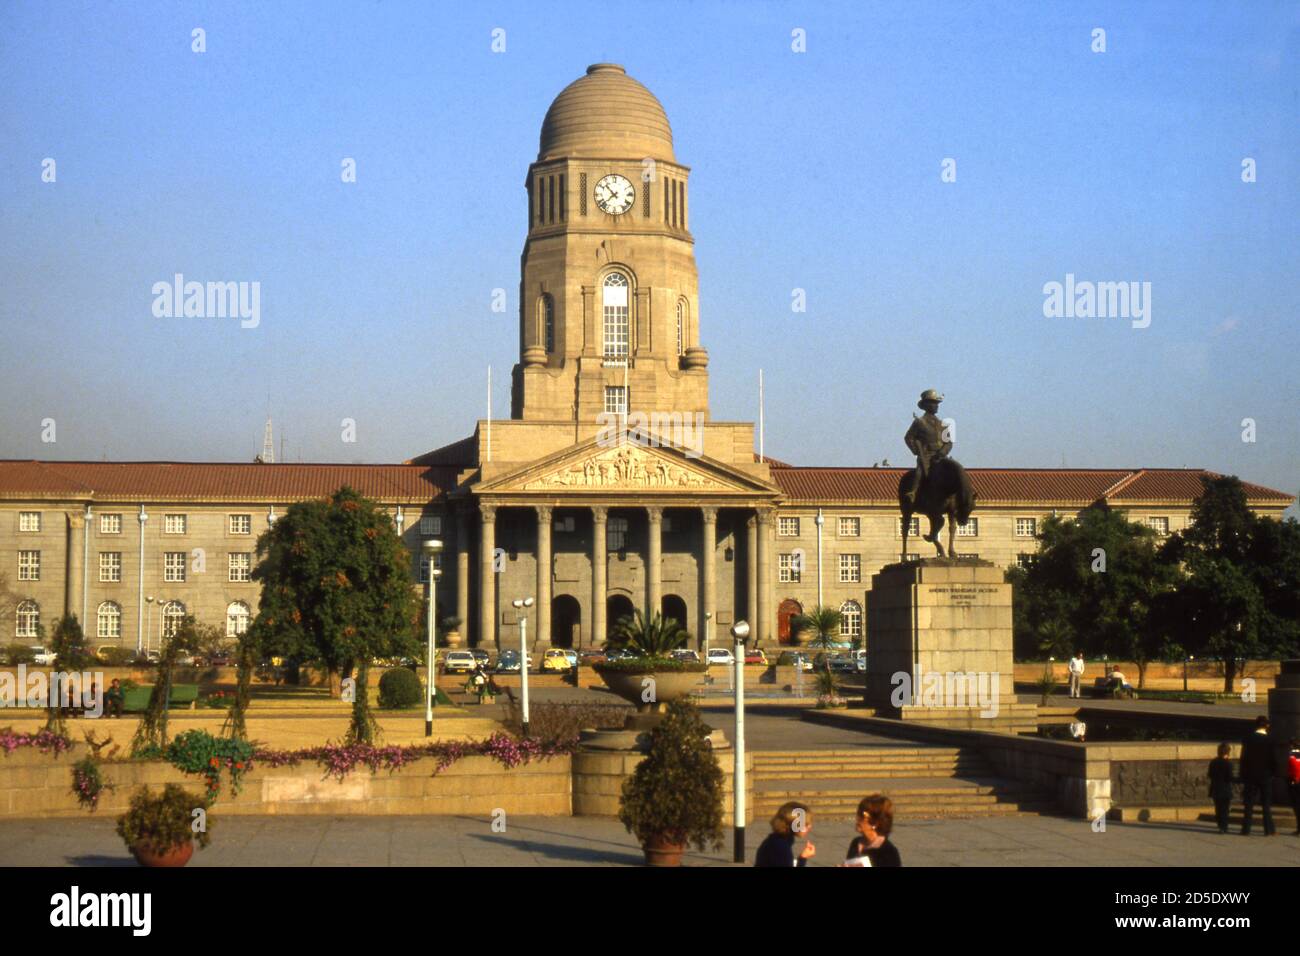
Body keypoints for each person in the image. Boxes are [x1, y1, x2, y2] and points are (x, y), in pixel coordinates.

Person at [902, 390, 952, 505]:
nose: (936, 406)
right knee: (920, 471)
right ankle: (913, 492)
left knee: (955, 469)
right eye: (934, 403)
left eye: (937, 404)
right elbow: (908, 438)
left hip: (941, 456)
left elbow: (948, 442)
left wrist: (943, 452)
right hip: (926, 455)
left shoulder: (943, 424)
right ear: (926, 405)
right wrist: (917, 451)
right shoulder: (919, 422)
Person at [1240, 715, 1277, 836]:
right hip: (1265, 775)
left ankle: (1246, 829)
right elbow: (1273, 759)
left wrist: (1242, 774)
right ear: (1267, 726)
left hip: (1250, 775)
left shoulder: (1248, 738)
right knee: (1266, 804)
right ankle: (1268, 829)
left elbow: (1243, 758)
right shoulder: (1270, 740)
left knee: (1249, 803)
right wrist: (1273, 772)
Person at [844, 794, 902, 867]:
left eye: (862, 815)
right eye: (858, 814)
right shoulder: (856, 843)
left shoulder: (888, 851)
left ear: (875, 822)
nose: (857, 818)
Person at [755, 800, 815, 867]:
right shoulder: (780, 848)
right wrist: (803, 858)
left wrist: (803, 856)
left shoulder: (777, 840)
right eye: (806, 824)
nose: (810, 826)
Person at [1207, 742, 1235, 834]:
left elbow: (1210, 774)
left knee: (1218, 808)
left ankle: (1220, 825)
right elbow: (1230, 777)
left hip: (1215, 788)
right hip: (1225, 789)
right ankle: (1224, 826)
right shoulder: (1228, 763)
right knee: (1225, 809)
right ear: (1228, 752)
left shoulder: (1213, 762)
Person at [1286, 738, 1300, 836]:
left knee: (1297, 806)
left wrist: (1295, 777)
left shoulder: (1291, 754)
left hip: (1295, 781)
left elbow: (1293, 766)